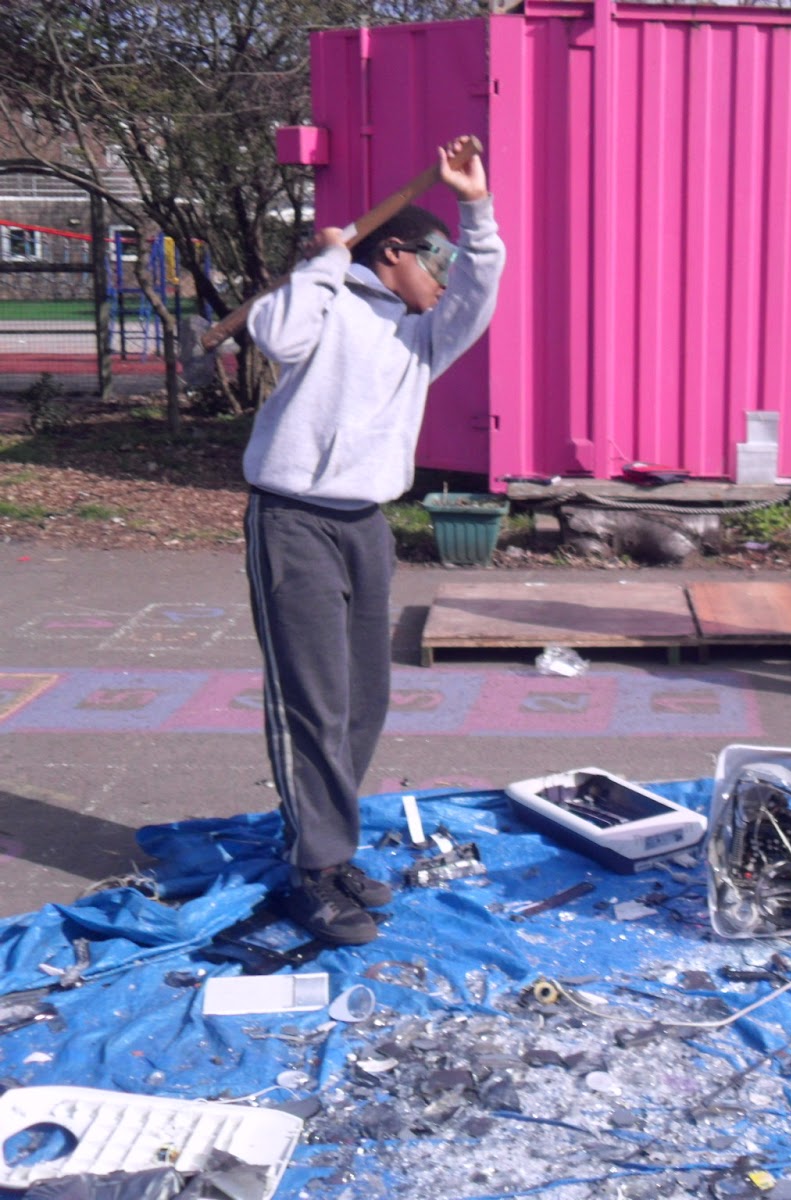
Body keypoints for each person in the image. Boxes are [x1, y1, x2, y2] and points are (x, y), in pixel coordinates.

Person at [242, 136, 505, 942]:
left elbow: (481, 291)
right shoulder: (318, 308)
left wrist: (476, 208)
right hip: (293, 521)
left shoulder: (420, 336)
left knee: (364, 698)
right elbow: (275, 339)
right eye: (436, 265)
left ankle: (330, 844)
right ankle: (310, 871)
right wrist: (325, 260)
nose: (446, 282)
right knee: (311, 702)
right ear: (392, 253)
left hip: (366, 526)